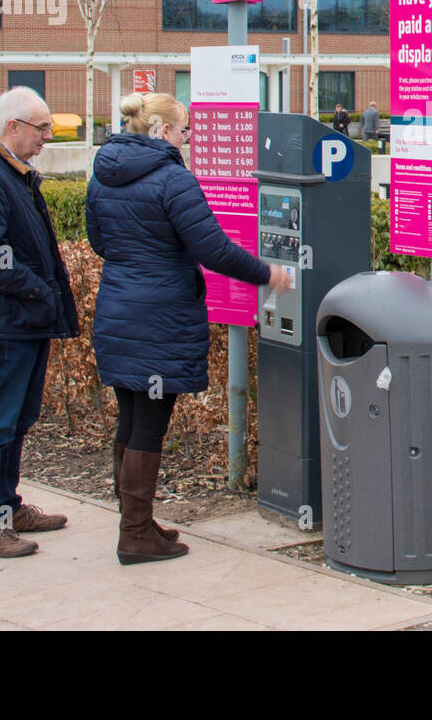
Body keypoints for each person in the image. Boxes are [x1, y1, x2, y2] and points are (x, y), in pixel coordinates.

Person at [86, 92, 293, 565]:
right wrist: (268, 274)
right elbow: (214, 249)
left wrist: (138, 262)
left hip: (118, 311)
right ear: (161, 131)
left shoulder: (103, 174)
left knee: (131, 417)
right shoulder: (173, 179)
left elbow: (98, 241)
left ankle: (133, 521)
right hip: (160, 318)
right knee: (150, 426)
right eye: (185, 131)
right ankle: (135, 535)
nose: (189, 138)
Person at [0, 86, 79, 558]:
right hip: (7, 324)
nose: (47, 136)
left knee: (18, 419)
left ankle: (7, 507)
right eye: (41, 128)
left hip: (26, 321)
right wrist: (40, 290)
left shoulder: (15, 173)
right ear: (12, 128)